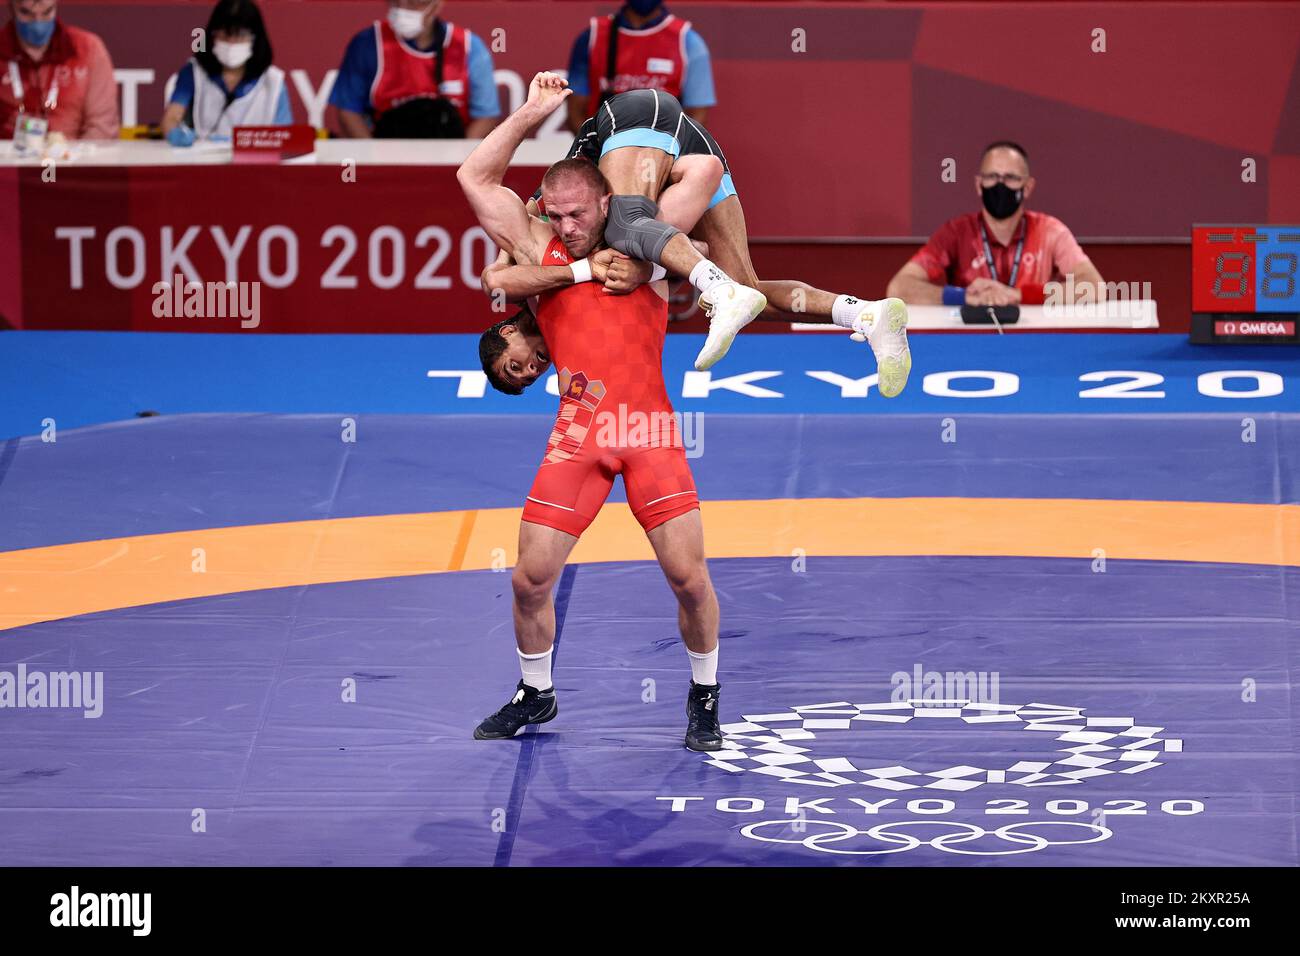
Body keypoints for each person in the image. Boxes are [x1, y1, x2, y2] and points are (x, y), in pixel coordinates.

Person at [458, 74, 726, 752]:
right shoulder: (540, 245)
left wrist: (651, 179)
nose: (571, 228)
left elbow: (707, 165)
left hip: (647, 431)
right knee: (528, 579)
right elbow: (475, 177)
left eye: (581, 214)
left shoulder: (647, 235)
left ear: (607, 200)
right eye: (559, 215)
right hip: (578, 431)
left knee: (690, 580)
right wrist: (532, 112)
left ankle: (704, 696)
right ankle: (536, 692)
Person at [547, 96, 912, 397]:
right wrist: (650, 270)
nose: (567, 227)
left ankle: (719, 290)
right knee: (748, 293)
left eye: (525, 364)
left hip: (638, 113)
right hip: (692, 152)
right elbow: (698, 250)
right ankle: (867, 314)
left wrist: (533, 110)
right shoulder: (592, 227)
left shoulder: (556, 204)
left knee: (625, 225)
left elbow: (511, 221)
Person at [886, 141, 1105, 307]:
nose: (1000, 185)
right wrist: (963, 296)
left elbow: (1095, 288)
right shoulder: (956, 232)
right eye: (991, 176)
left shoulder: (1050, 231)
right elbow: (898, 288)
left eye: (1010, 177)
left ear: (1027, 187)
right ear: (979, 184)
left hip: (1034, 336)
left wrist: (1019, 296)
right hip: (970, 336)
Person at [328, 0, 499, 139]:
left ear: (436, 5)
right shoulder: (367, 43)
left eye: (413, 3)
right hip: (386, 151)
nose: (402, 9)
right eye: (395, 2)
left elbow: (485, 116)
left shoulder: (469, 46)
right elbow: (349, 112)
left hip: (450, 155)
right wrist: (376, 161)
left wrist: (460, 163)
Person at [563, 0, 714, 134]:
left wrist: (670, 154)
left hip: (665, 153)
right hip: (603, 150)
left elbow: (697, 116)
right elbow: (575, 112)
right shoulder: (592, 37)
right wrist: (599, 152)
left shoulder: (687, 40)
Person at [161, 0, 290, 146]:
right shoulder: (194, 73)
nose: (231, 42)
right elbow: (171, 118)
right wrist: (174, 134)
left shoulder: (273, 82)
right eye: (224, 35)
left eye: (240, 35)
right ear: (212, 36)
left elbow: (285, 135)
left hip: (256, 163)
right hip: (203, 160)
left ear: (256, 38)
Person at [0, 0, 119, 140]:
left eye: (46, 12)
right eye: (26, 13)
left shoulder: (88, 49)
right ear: (12, 8)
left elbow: (102, 127)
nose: (38, 22)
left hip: (73, 158)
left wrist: (76, 158)